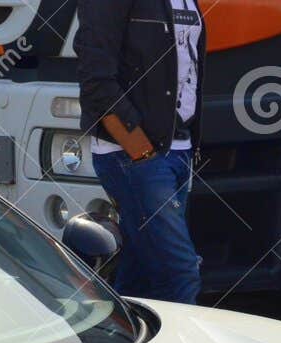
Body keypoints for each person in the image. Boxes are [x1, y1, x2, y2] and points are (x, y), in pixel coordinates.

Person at [75, 0, 205, 303]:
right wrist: (139, 149)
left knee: (141, 272)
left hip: (178, 149)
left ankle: (112, 339)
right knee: (180, 272)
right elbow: (95, 78)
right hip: (133, 154)